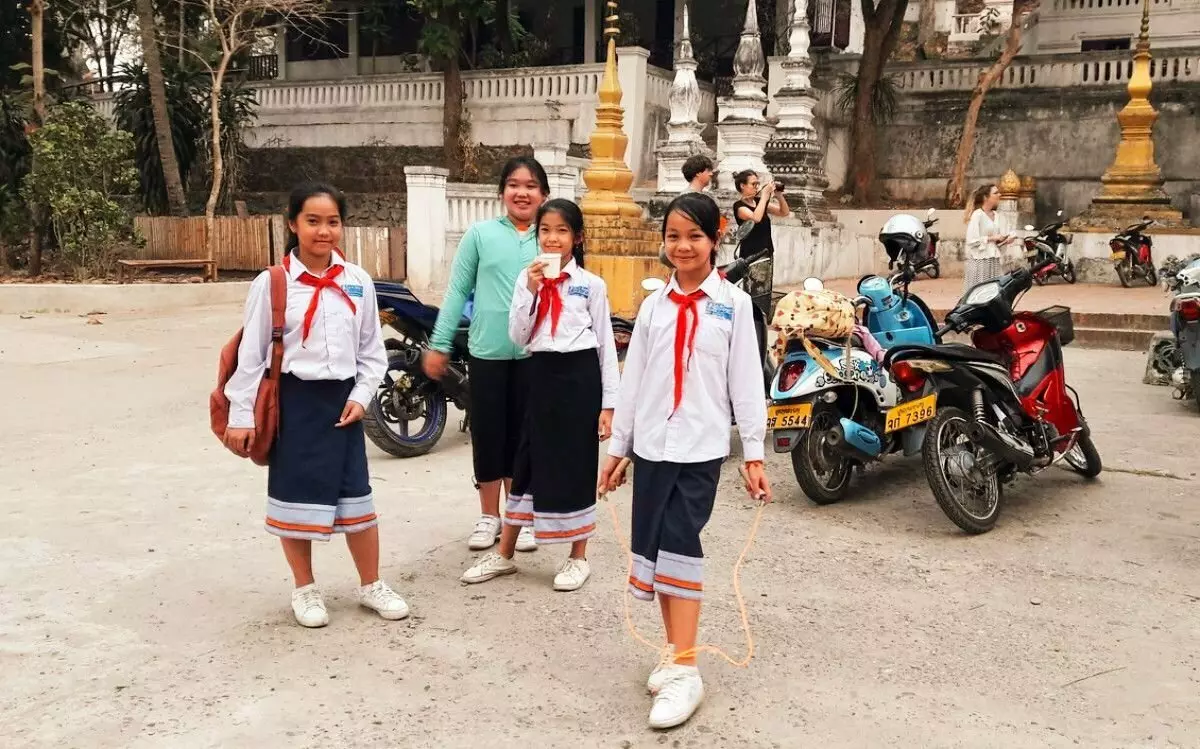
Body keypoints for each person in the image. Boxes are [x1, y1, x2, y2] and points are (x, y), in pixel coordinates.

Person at [597, 192, 771, 730]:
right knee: (652, 549)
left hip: (699, 449)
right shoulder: (653, 307)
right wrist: (617, 449)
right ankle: (675, 652)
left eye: (695, 235)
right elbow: (634, 384)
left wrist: (756, 453)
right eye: (674, 236)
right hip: (651, 447)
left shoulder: (734, 305)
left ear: (715, 240)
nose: (684, 246)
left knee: (680, 542)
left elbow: (745, 381)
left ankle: (688, 669)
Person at [223, 183, 409, 628]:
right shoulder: (273, 284)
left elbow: (372, 352)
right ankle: (304, 589)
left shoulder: (358, 282)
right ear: (292, 224)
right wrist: (241, 415)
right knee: (294, 497)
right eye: (312, 221)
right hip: (294, 403)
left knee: (357, 496)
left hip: (342, 404)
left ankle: (371, 585)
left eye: (332, 222)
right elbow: (252, 357)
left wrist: (362, 398)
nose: (323, 231)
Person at [460, 199, 619, 592]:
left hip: (580, 379)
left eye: (562, 230)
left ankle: (578, 557)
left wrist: (609, 405)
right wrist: (531, 290)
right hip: (541, 375)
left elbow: (605, 348)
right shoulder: (525, 279)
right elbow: (518, 335)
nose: (552, 237)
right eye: (545, 230)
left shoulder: (591, 285)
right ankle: (505, 553)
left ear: (576, 237)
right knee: (526, 459)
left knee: (577, 464)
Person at [424, 157, 550, 554]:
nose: (522, 192)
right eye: (513, 184)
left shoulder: (551, 238)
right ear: (502, 193)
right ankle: (488, 516)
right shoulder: (479, 235)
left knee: (525, 438)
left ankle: (520, 515)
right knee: (488, 434)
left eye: (531, 185)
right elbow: (457, 291)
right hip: (488, 352)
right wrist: (440, 343)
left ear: (544, 194)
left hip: (535, 354)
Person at [964, 183, 1014, 292]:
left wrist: (1006, 240)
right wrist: (991, 238)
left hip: (994, 259)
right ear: (986, 197)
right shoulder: (978, 215)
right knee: (979, 292)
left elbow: (999, 240)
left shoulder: (997, 216)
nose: (999, 195)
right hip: (980, 261)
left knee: (994, 291)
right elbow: (972, 240)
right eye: (995, 193)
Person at [731, 169, 790, 260]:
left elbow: (784, 212)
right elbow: (756, 218)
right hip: (750, 255)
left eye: (757, 184)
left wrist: (779, 195)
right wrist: (764, 195)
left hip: (766, 252)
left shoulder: (759, 202)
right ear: (742, 185)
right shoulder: (739, 206)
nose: (756, 187)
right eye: (753, 184)